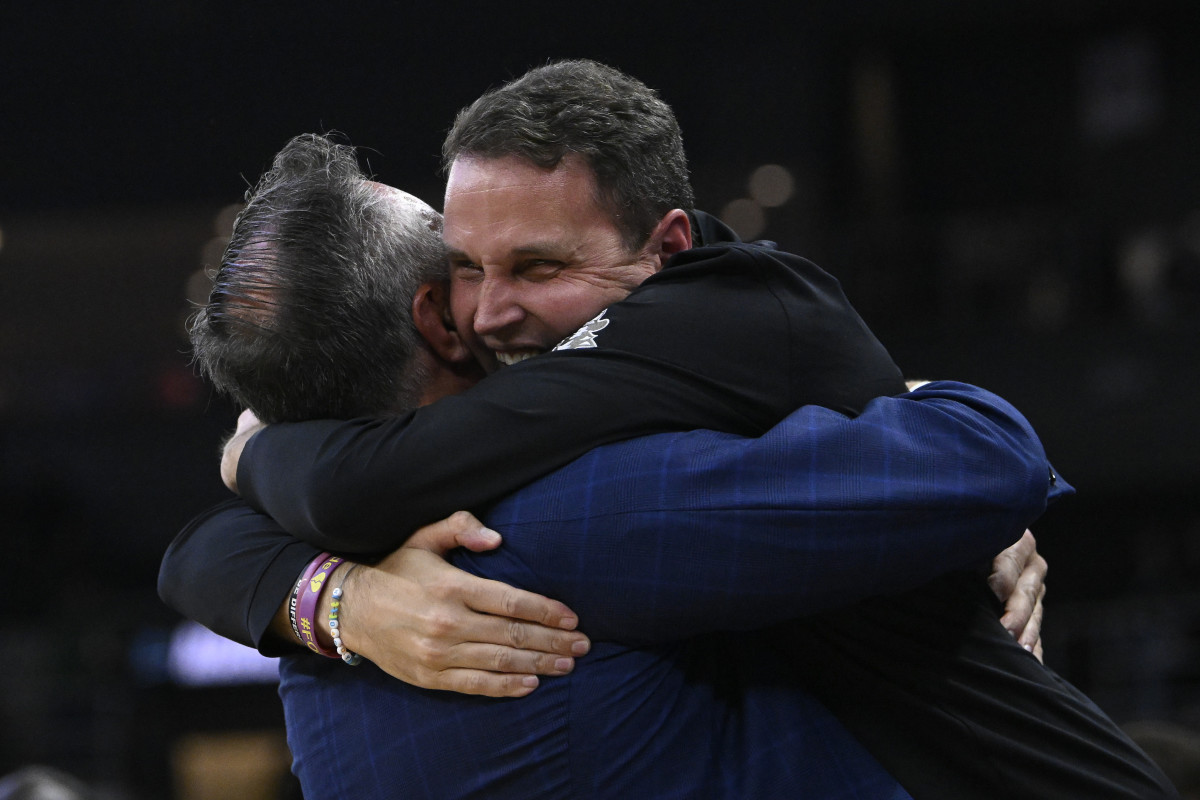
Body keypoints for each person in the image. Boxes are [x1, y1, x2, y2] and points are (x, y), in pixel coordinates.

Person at [162, 59, 1176, 797]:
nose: (496, 300)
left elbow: (212, 540)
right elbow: (988, 456)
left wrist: (302, 553)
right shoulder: (583, 514)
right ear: (437, 318)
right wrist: (908, 411)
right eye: (465, 263)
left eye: (532, 264)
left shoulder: (310, 624)